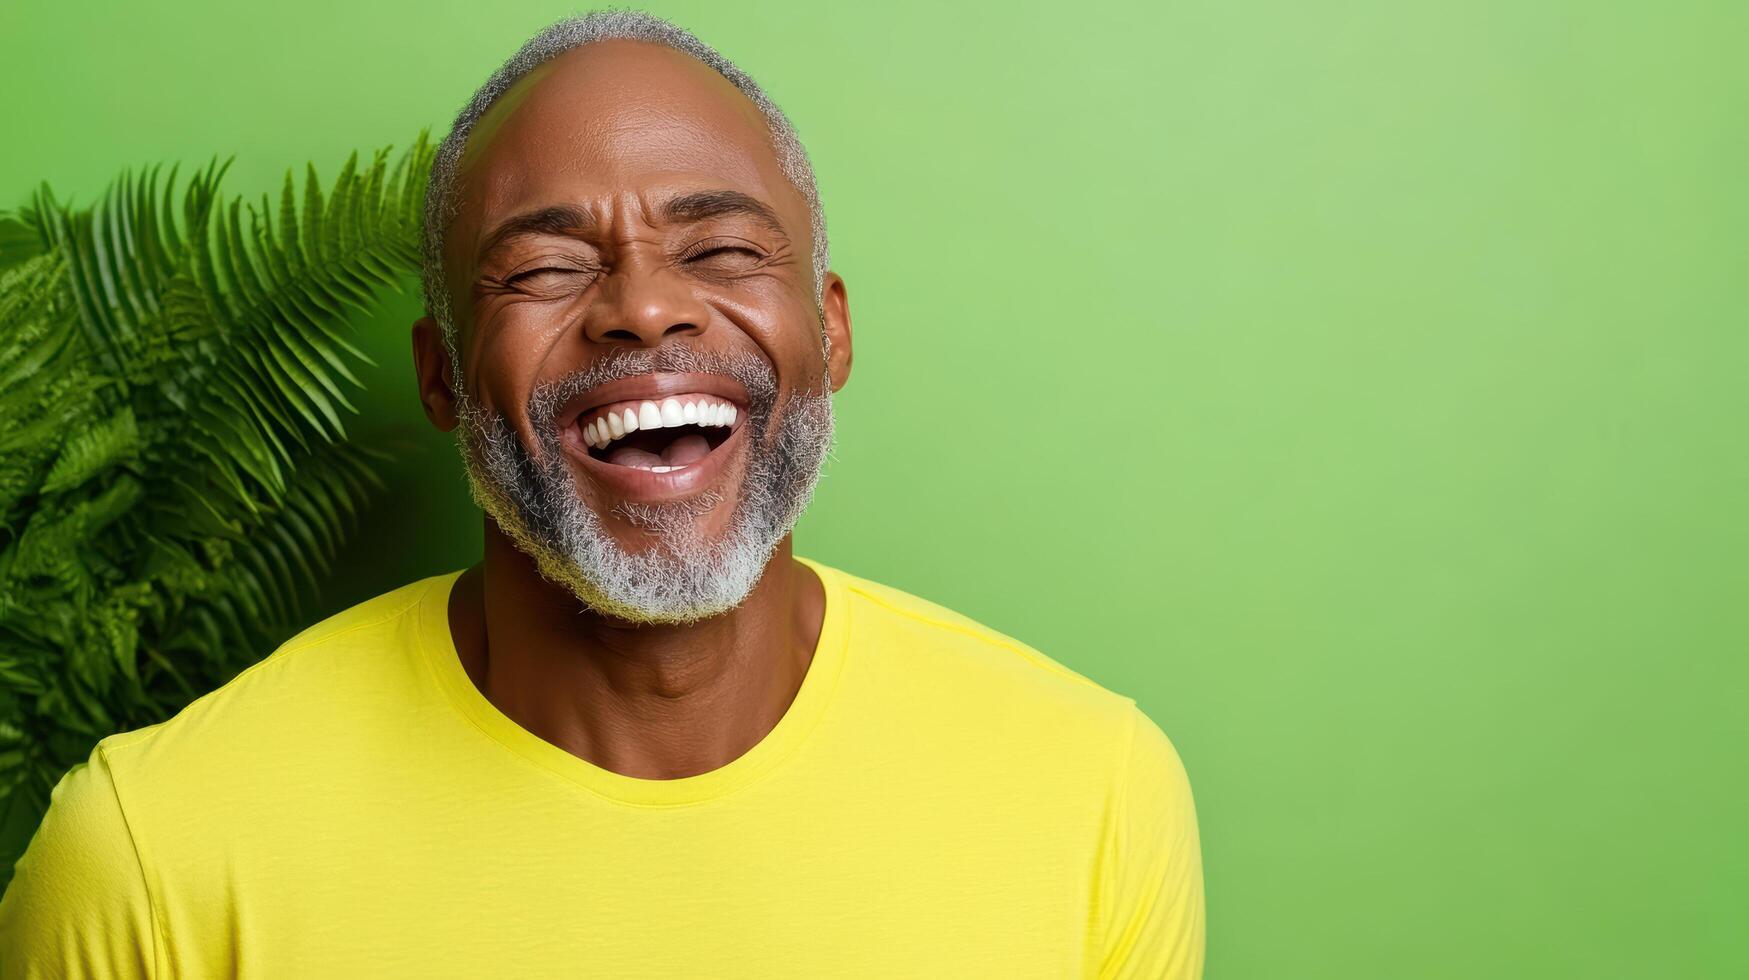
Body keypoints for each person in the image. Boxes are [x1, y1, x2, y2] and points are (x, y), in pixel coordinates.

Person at [0, 11, 1204, 977]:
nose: (644, 304)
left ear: (829, 332)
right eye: (544, 265)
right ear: (443, 374)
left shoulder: (1091, 795)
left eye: (723, 248)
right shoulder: (154, 859)